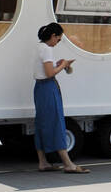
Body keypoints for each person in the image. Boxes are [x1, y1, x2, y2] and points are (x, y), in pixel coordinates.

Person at [33, 23, 89, 173]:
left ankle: (43, 162)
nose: (57, 42)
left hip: (39, 89)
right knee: (56, 123)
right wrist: (63, 64)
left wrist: (59, 65)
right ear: (53, 36)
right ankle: (68, 164)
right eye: (58, 39)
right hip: (48, 88)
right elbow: (50, 73)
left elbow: (46, 69)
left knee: (42, 123)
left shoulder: (40, 47)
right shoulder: (47, 50)